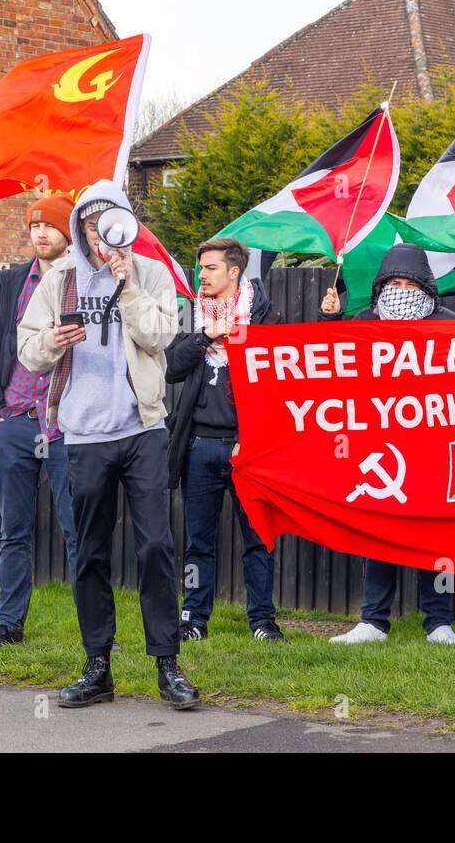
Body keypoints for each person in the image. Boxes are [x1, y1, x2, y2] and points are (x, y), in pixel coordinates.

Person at [17, 179, 200, 709]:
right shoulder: (60, 280)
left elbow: (161, 337)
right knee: (90, 552)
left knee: (156, 548)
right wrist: (55, 340)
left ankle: (167, 665)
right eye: (90, 223)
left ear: (127, 223)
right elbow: (28, 350)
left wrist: (129, 286)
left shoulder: (151, 273)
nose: (100, 232)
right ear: (79, 228)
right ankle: (98, 666)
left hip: (142, 429)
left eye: (109, 221)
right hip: (84, 435)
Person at [322, 243, 455, 646]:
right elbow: (332, 367)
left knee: (433, 534)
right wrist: (328, 320)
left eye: (410, 283)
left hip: (434, 445)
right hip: (381, 446)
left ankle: (438, 622)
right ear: (382, 285)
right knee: (380, 530)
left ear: (425, 287)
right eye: (394, 282)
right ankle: (374, 621)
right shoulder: (364, 320)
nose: (402, 290)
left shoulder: (448, 322)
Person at [0, 194, 80, 648]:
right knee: (13, 530)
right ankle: (8, 625)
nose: (40, 233)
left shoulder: (83, 282)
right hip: (14, 421)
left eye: (51, 225)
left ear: (68, 233)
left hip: (66, 424)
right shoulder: (10, 282)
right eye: (34, 225)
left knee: (79, 530)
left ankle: (94, 630)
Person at [166, 237, 285, 643]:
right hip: (198, 445)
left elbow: (276, 386)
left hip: (248, 449)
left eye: (211, 268)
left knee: (258, 539)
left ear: (234, 272)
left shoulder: (266, 317)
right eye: (200, 268)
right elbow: (171, 369)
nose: (202, 275)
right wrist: (204, 337)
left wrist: (247, 437)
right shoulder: (193, 315)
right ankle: (193, 618)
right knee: (198, 542)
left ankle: (262, 622)